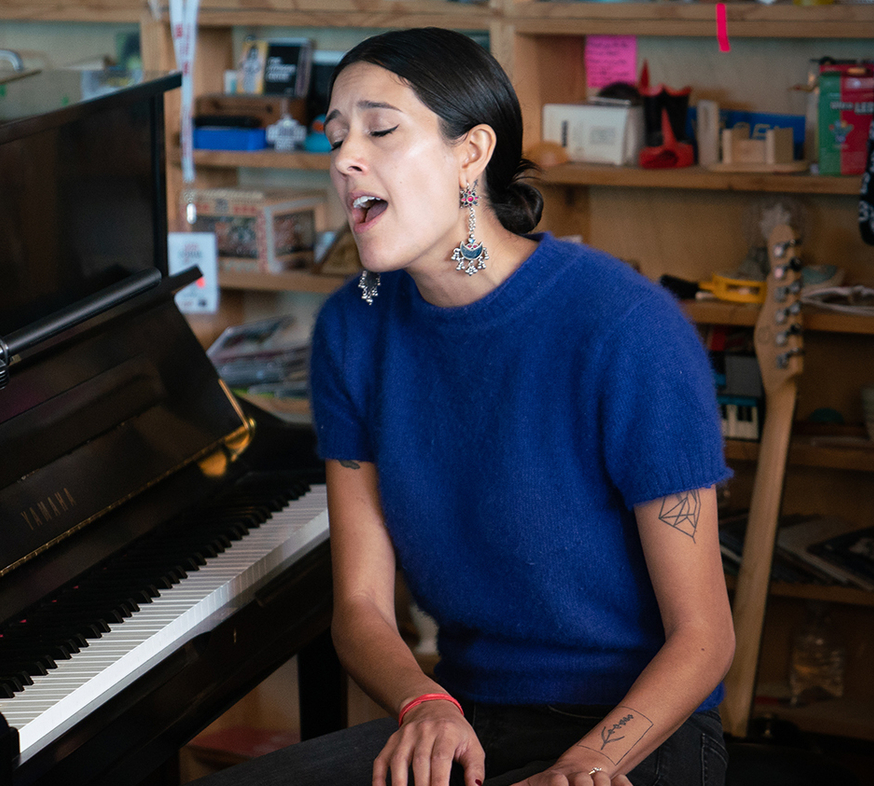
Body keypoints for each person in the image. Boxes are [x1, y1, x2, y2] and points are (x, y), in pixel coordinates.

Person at [190, 27, 735, 786]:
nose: (347, 159)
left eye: (381, 130)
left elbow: (705, 637)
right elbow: (360, 609)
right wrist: (422, 704)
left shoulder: (624, 327)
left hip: (639, 729)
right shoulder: (354, 328)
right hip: (467, 717)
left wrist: (587, 765)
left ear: (472, 153)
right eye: (336, 136)